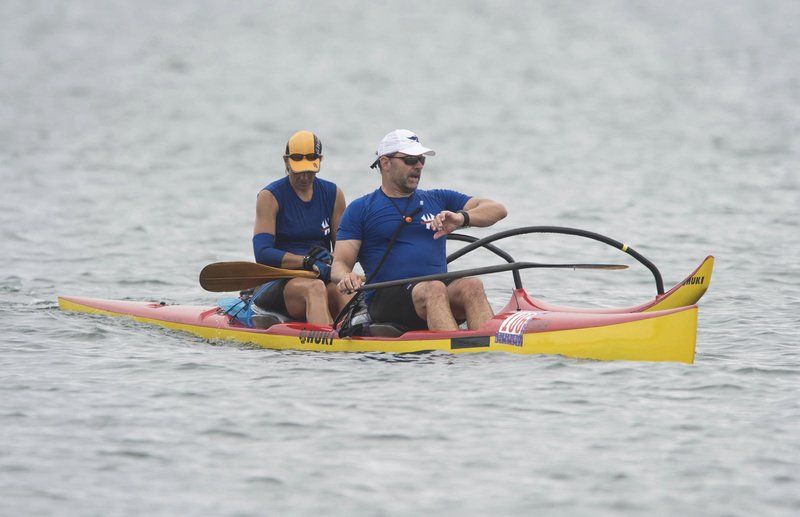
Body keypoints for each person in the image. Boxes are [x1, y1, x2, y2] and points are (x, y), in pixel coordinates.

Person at [332, 129, 507, 332]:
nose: (418, 166)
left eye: (421, 160)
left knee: (472, 285)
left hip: (434, 291)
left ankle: (490, 353)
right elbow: (339, 264)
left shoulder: (439, 198)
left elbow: (498, 210)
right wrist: (347, 277)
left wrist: (461, 218)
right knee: (434, 289)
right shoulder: (361, 208)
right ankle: (450, 358)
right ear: (385, 163)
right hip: (386, 299)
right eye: (409, 160)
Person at [251, 130, 347, 326]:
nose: (304, 176)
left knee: (344, 289)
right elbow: (262, 253)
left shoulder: (334, 194)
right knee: (315, 288)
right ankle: (329, 344)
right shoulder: (269, 197)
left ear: (319, 161)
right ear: (286, 162)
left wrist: (336, 265)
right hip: (279, 282)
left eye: (310, 170)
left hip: (320, 276)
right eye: (298, 170)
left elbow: (345, 250)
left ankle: (359, 336)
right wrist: (306, 261)